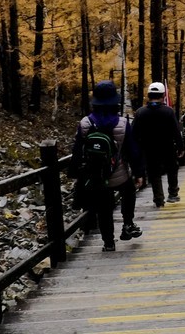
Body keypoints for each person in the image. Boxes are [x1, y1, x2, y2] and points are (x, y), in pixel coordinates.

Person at [70, 80, 145, 252]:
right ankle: (128, 223)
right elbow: (133, 150)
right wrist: (139, 172)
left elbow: (78, 151)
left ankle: (108, 243)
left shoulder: (85, 123)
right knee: (128, 191)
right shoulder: (122, 123)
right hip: (118, 173)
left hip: (96, 176)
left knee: (104, 209)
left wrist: (75, 173)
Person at [133, 81, 185, 207]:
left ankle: (158, 199)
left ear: (149, 95)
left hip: (149, 149)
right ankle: (173, 193)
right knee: (172, 168)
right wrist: (180, 146)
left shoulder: (140, 112)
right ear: (163, 95)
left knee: (154, 173)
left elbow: (134, 133)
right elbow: (176, 130)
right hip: (167, 147)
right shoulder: (168, 111)